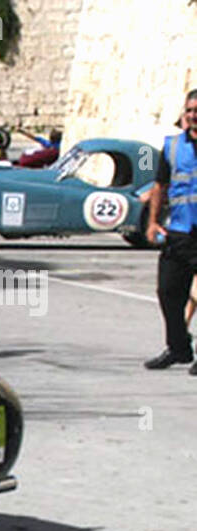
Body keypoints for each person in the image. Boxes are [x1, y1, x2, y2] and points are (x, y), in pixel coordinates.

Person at [143, 88, 197, 372]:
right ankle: (178, 348)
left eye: (196, 111)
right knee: (168, 292)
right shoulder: (173, 146)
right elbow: (159, 186)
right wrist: (152, 222)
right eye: (189, 111)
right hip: (178, 232)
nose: (192, 116)